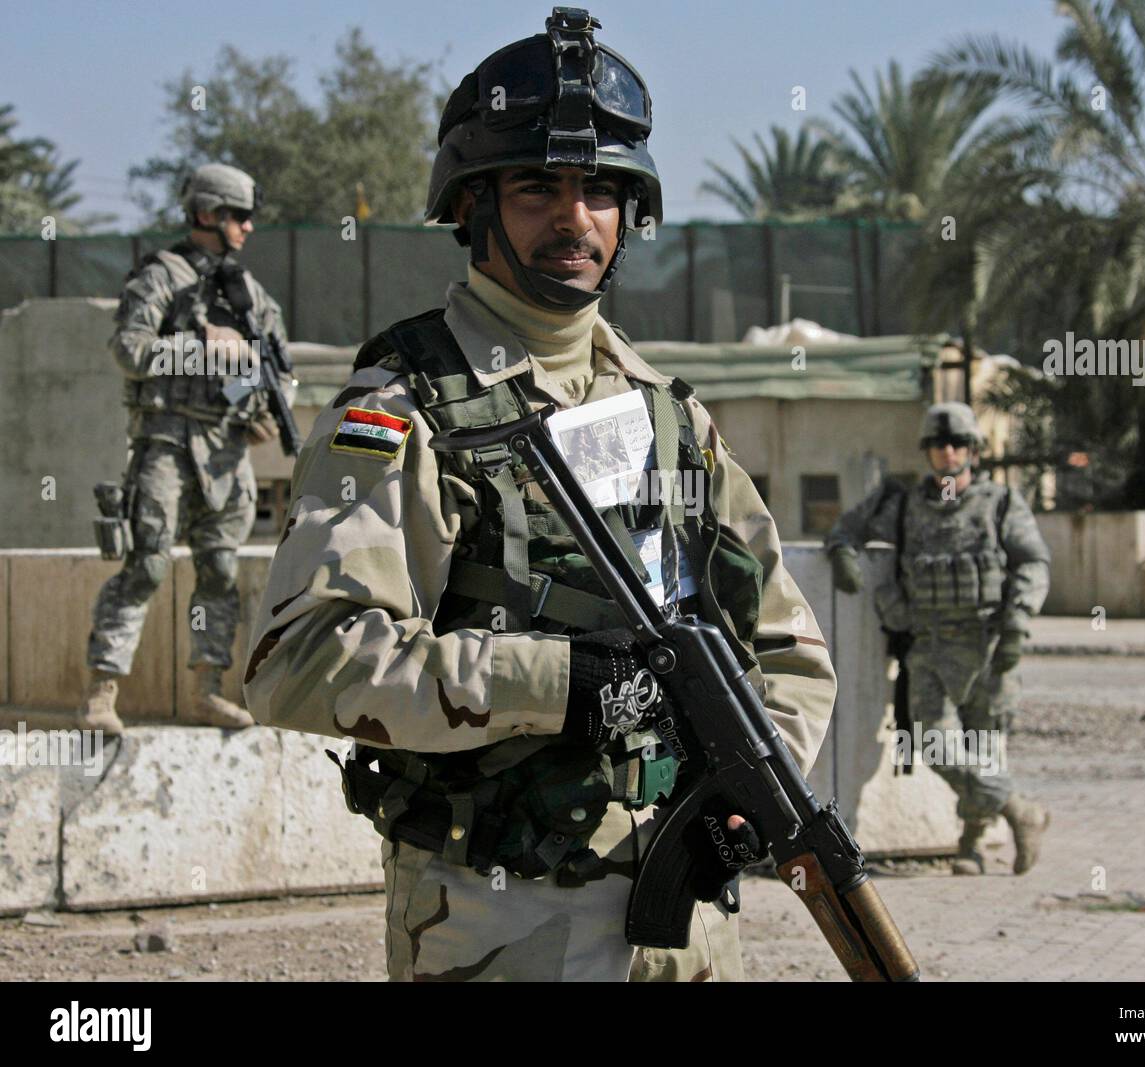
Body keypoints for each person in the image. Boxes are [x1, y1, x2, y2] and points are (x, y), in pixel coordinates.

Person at [242, 7, 835, 982]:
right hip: (501, 928)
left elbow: (787, 645)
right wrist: (556, 685)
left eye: (601, 190)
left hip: (689, 925)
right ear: (470, 206)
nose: (573, 218)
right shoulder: (402, 409)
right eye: (536, 188)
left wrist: (750, 784)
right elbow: (299, 659)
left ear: (630, 212)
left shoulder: (672, 419)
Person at [79, 163, 285, 734]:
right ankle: (102, 691)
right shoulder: (160, 277)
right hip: (166, 440)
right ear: (208, 215)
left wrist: (257, 408)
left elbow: (265, 369)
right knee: (144, 563)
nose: (247, 228)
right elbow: (129, 349)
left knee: (218, 570)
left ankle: (207, 691)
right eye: (238, 216)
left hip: (225, 450)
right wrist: (198, 345)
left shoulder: (251, 296)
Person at [825, 402, 1052, 876]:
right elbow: (845, 527)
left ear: (973, 450)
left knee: (983, 746)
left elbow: (1033, 563)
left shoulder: (1001, 504)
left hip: (989, 648)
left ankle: (970, 844)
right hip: (929, 650)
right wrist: (843, 555)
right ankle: (1019, 810)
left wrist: (1019, 622)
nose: (947, 453)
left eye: (957, 444)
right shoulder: (903, 505)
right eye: (938, 445)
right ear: (927, 452)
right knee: (936, 745)